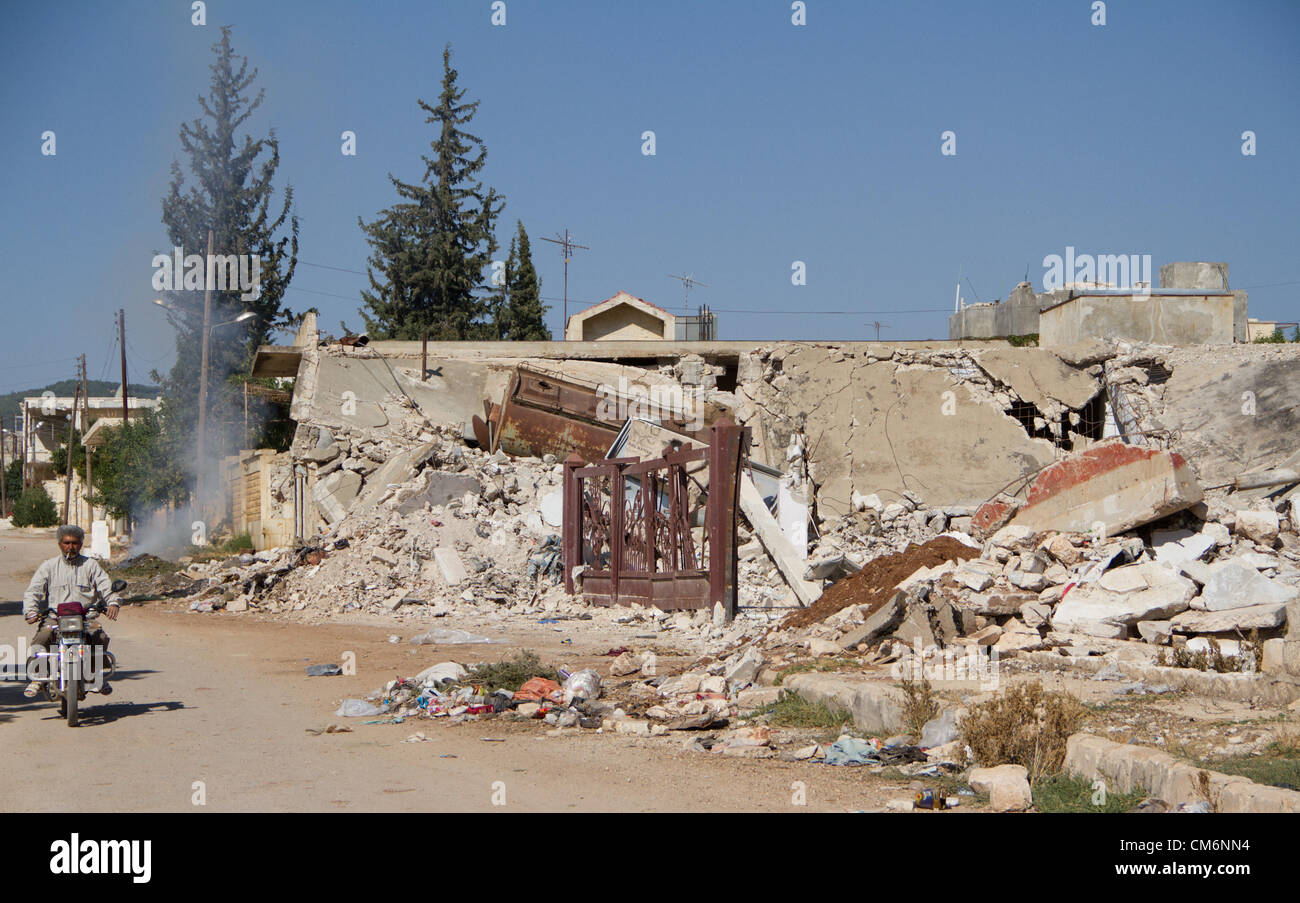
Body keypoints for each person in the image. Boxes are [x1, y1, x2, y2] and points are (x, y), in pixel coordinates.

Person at [22, 525, 122, 698]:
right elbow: (34, 591)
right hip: (55, 618)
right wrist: (31, 611)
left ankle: (95, 674)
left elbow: (106, 586)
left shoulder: (91, 565)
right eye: (66, 543)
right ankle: (38, 677)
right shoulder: (49, 566)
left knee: (99, 636)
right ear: (60, 544)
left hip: (85, 618)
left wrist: (113, 603)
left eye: (75, 543)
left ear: (81, 544)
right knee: (42, 638)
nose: (71, 547)